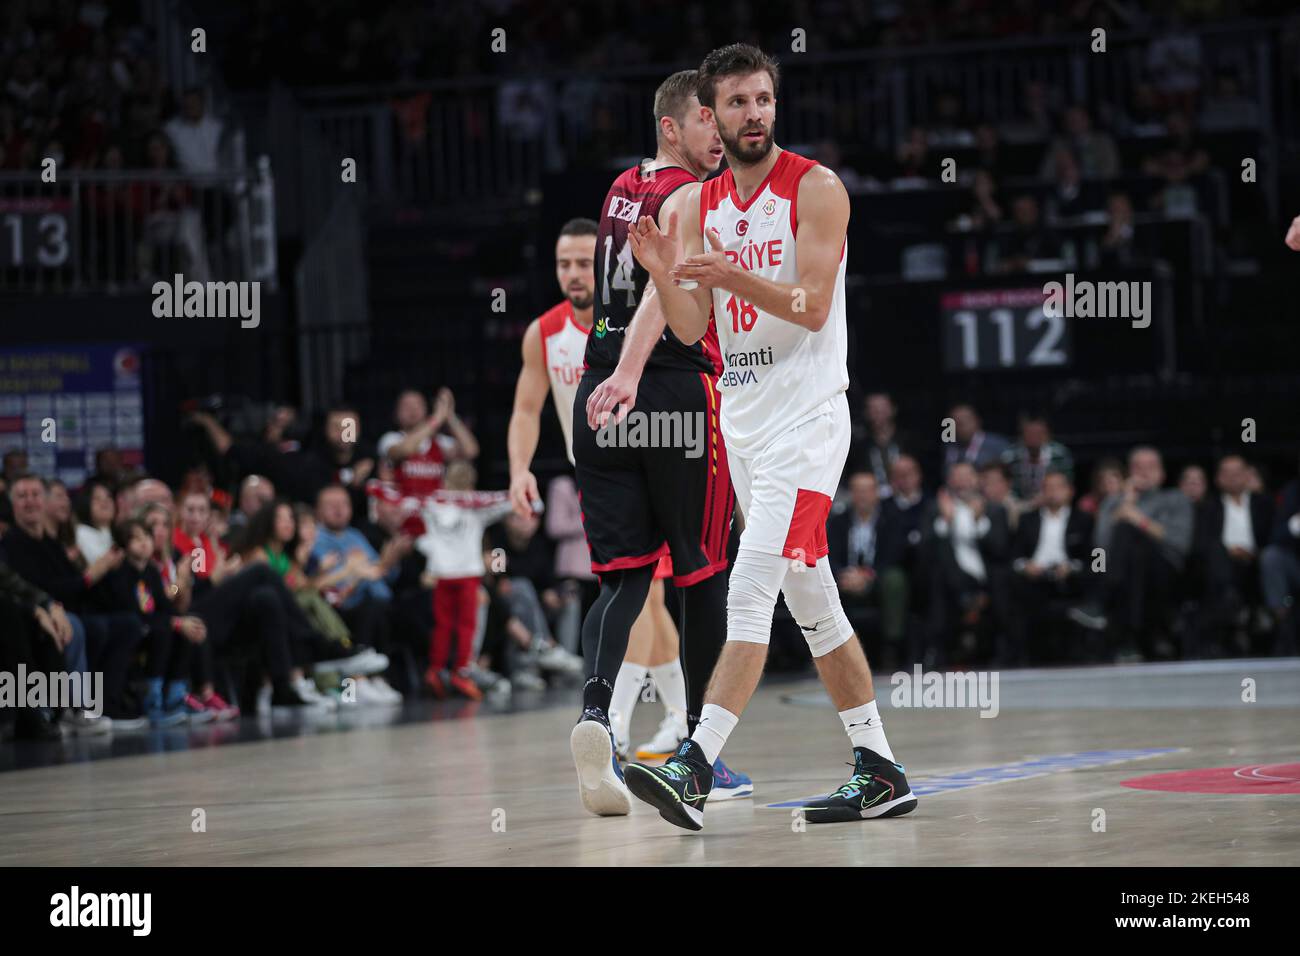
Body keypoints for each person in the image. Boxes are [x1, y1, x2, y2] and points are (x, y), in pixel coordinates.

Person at [624, 44, 914, 829]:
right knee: (812, 604)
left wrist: (730, 276)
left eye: (763, 99)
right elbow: (693, 326)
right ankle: (881, 768)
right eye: (738, 103)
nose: (754, 114)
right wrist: (666, 274)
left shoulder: (815, 188)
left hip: (809, 423)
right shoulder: (695, 206)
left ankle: (692, 764)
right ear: (711, 117)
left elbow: (812, 307)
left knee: (749, 588)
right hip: (745, 426)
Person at [567, 67, 751, 817]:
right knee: (702, 573)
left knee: (622, 580)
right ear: (673, 127)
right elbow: (665, 296)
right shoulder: (691, 197)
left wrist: (616, 376)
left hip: (598, 395)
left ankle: (596, 713)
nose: (722, 131)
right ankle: (700, 755)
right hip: (669, 392)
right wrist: (636, 372)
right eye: (709, 118)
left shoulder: (621, 186)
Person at [504, 216, 689, 761]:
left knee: (641, 596)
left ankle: (615, 724)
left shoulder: (638, 319)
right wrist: (519, 469)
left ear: (606, 265)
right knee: (645, 602)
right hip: (595, 478)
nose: (573, 273)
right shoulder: (543, 333)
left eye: (584, 263)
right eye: (563, 264)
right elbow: (525, 409)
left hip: (648, 471)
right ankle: (679, 718)